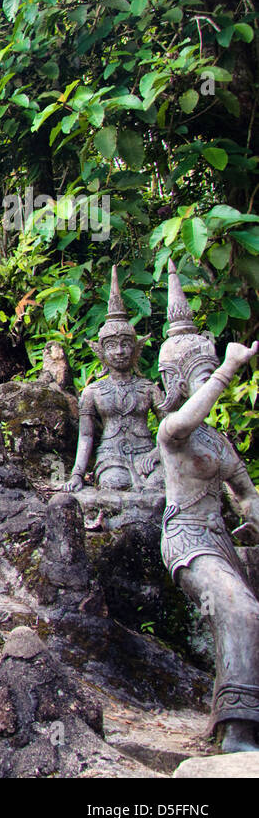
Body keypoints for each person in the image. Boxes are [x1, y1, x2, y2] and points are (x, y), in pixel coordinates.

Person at [156, 260, 259, 752]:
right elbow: (187, 417)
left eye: (209, 369)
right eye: (197, 373)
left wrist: (252, 512)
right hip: (187, 541)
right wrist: (227, 370)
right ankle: (235, 728)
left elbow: (246, 492)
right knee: (237, 612)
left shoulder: (219, 443)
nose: (208, 381)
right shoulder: (174, 431)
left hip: (223, 541)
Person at [63, 266, 164, 491]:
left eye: (126, 345)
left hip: (147, 454)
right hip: (111, 457)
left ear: (136, 349)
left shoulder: (148, 388)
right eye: (111, 346)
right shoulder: (93, 392)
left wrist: (157, 454)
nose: (119, 351)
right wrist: (77, 474)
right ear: (101, 352)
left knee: (158, 484)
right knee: (115, 483)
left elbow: (170, 428)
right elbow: (87, 435)